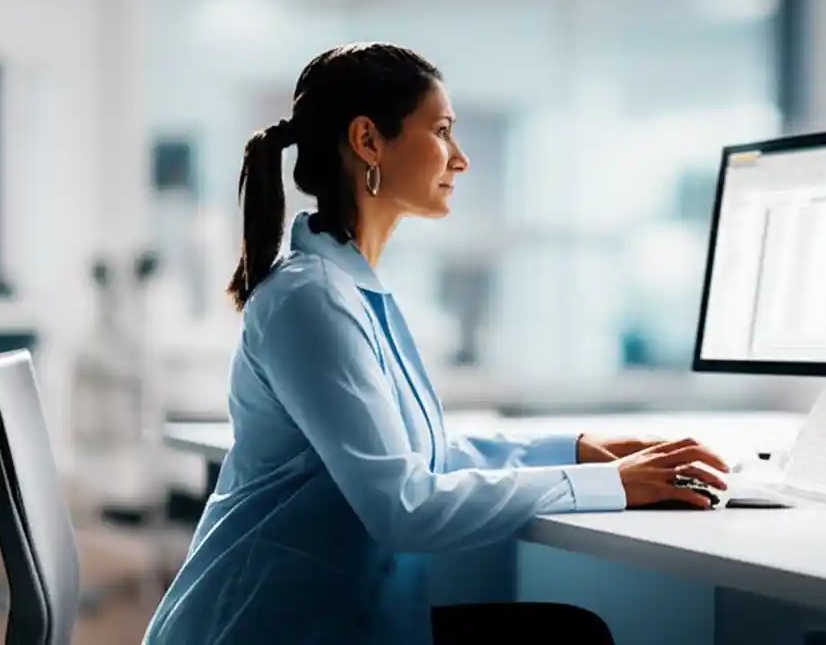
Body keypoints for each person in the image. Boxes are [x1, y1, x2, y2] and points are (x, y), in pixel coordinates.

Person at [142, 42, 730, 645]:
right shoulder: (310, 299)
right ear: (368, 141)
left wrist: (575, 450)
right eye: (443, 132)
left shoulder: (346, 286)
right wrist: (612, 485)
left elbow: (426, 457)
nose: (461, 159)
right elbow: (407, 505)